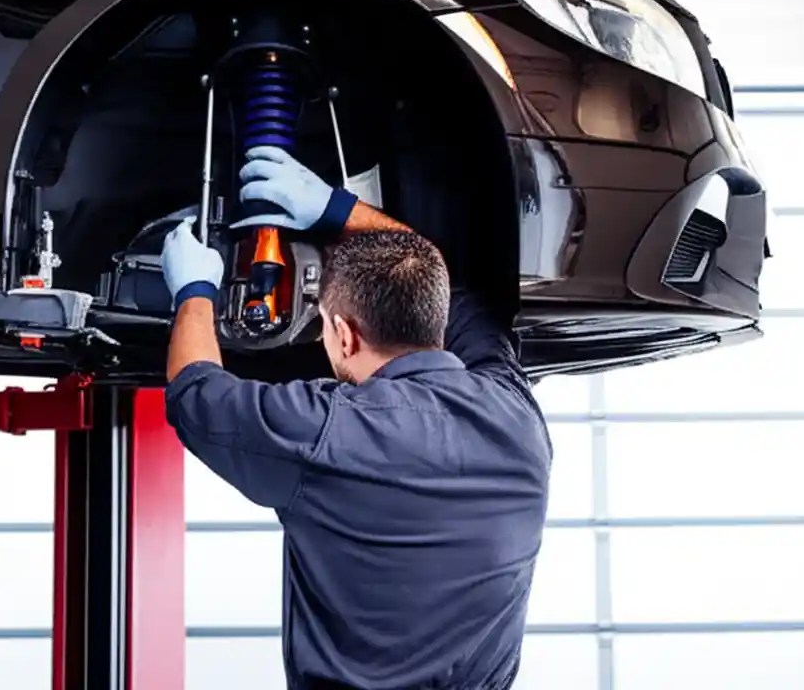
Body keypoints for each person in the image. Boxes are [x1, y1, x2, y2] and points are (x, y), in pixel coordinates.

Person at [161, 145, 553, 690]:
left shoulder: (332, 433)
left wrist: (197, 286)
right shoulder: (513, 417)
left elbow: (197, 399)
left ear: (344, 335)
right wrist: (194, 293)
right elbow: (193, 396)